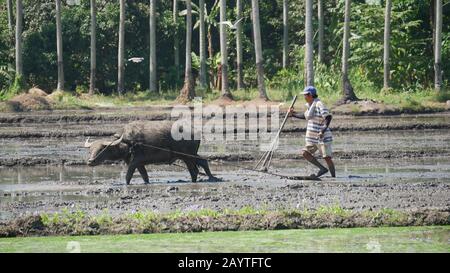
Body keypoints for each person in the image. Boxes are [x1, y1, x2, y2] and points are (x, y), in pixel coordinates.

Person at [288, 86, 336, 178]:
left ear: (310, 95)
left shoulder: (319, 104)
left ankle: (334, 177)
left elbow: (328, 117)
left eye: (305, 95)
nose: (304, 97)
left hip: (323, 136)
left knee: (327, 157)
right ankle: (322, 169)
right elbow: (305, 116)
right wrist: (292, 114)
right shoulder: (310, 106)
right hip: (313, 138)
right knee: (305, 153)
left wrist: (322, 130)